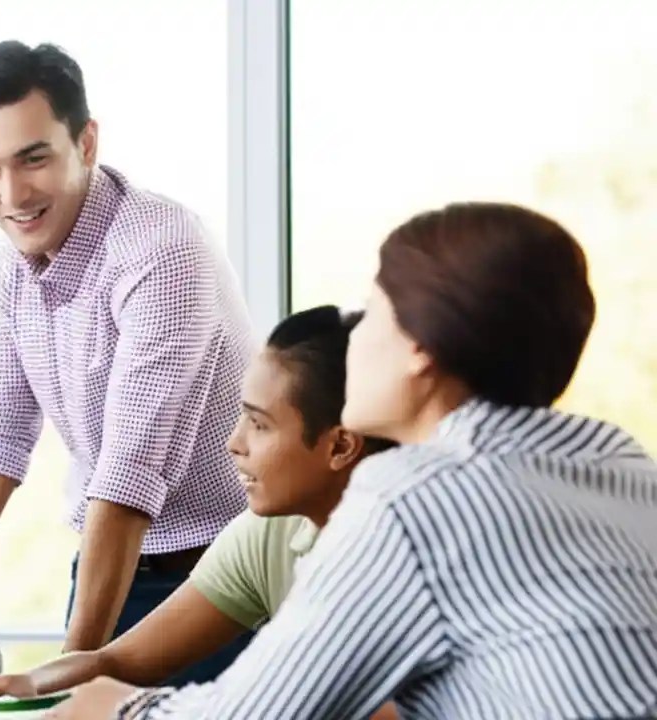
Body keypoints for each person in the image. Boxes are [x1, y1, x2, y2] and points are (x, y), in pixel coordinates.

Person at [67, 202, 657, 719]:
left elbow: (257, 713)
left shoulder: (409, 498)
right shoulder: (626, 466)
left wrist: (117, 708)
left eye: (373, 314)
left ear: (419, 352)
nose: (355, 338)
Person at [0, 40, 255, 685]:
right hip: (114, 569)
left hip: (227, 578)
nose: (11, 194)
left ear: (87, 143)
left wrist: (64, 679)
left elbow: (128, 477)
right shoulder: (12, 270)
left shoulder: (161, 251)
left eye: (33, 159)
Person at [0, 306, 393, 720]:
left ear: (340, 446)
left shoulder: (407, 553)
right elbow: (120, 661)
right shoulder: (268, 535)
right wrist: (30, 684)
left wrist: (132, 710)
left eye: (259, 425)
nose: (235, 443)